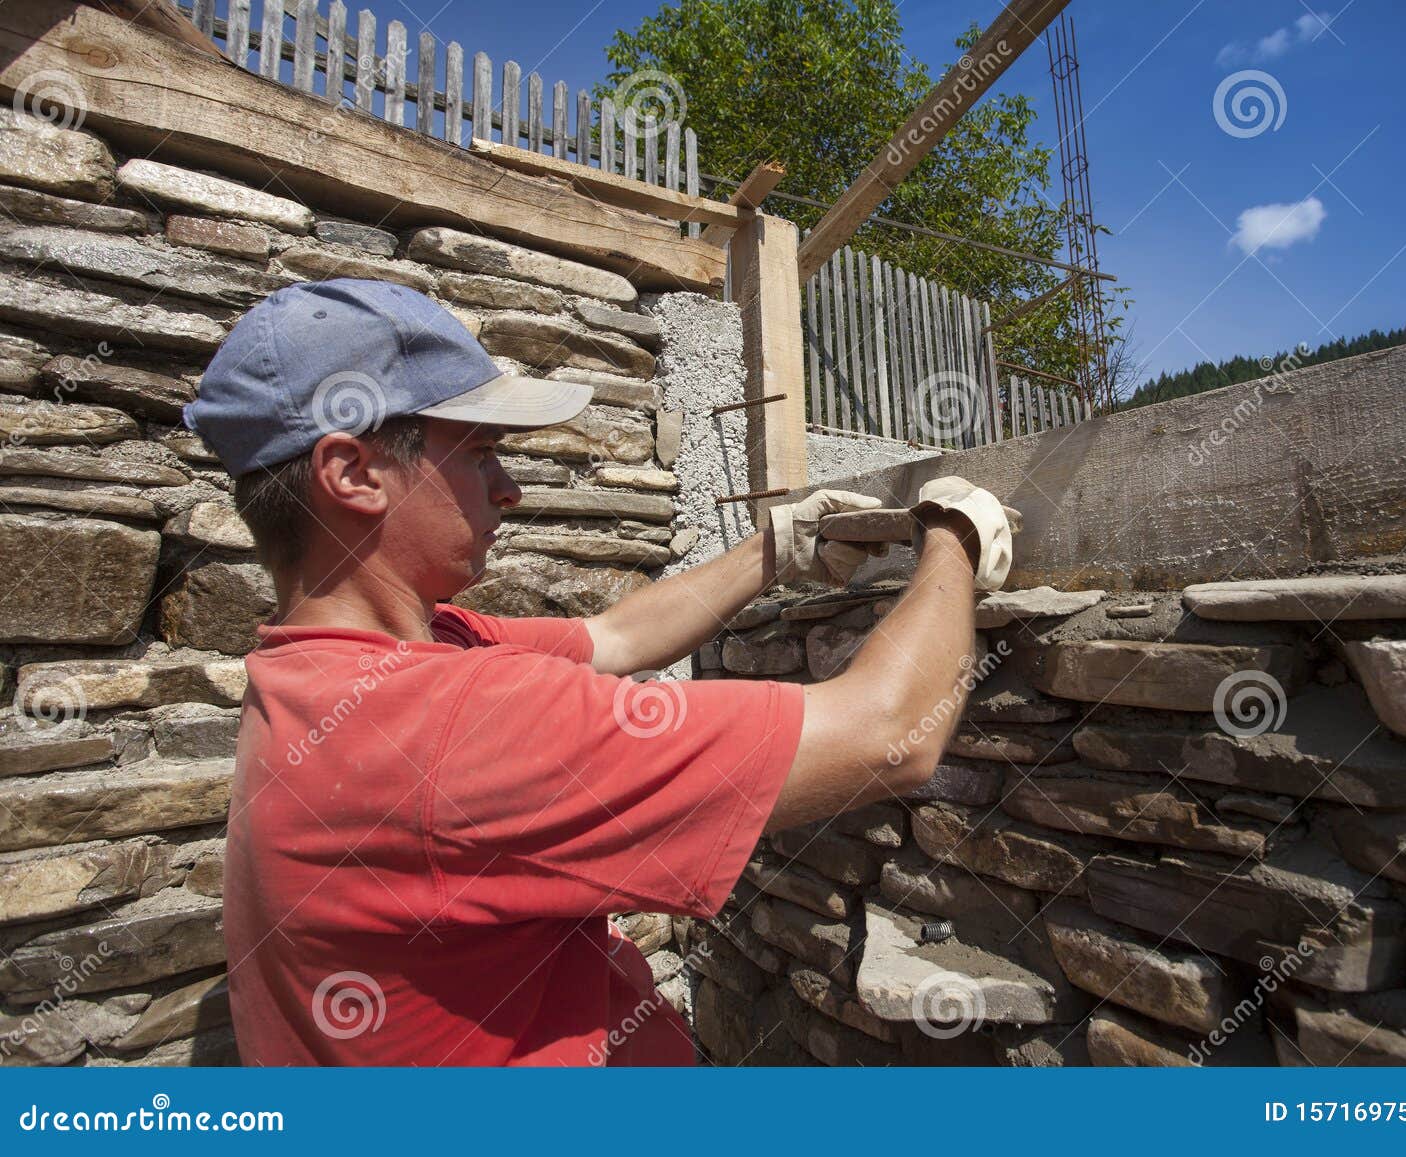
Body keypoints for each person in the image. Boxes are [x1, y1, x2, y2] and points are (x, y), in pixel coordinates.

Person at [185, 278, 1014, 1066]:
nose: (508, 489)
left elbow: (610, 636)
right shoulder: (449, 723)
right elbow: (887, 731)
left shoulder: (344, 664)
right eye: (479, 454)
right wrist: (952, 537)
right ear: (352, 473)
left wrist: (777, 548)